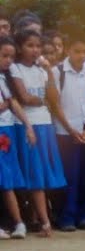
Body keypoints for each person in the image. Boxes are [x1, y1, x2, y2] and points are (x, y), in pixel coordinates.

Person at [9, 29, 66, 236]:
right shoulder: (15, 68)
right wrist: (42, 101)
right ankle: (44, 222)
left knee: (42, 174)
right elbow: (25, 98)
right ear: (19, 47)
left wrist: (49, 72)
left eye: (38, 46)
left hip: (45, 124)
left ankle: (41, 219)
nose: (35, 50)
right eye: (30, 46)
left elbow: (54, 98)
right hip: (27, 125)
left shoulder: (42, 70)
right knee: (35, 175)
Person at [53, 37, 85, 231]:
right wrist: (70, 129)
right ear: (68, 51)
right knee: (70, 174)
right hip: (65, 132)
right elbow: (55, 105)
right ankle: (67, 217)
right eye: (77, 51)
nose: (81, 56)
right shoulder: (57, 72)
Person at [0, 37, 31, 238]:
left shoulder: (4, 78)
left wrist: (28, 126)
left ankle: (19, 222)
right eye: (4, 56)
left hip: (6, 130)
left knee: (7, 177)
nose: (9, 60)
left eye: (11, 57)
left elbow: (13, 103)